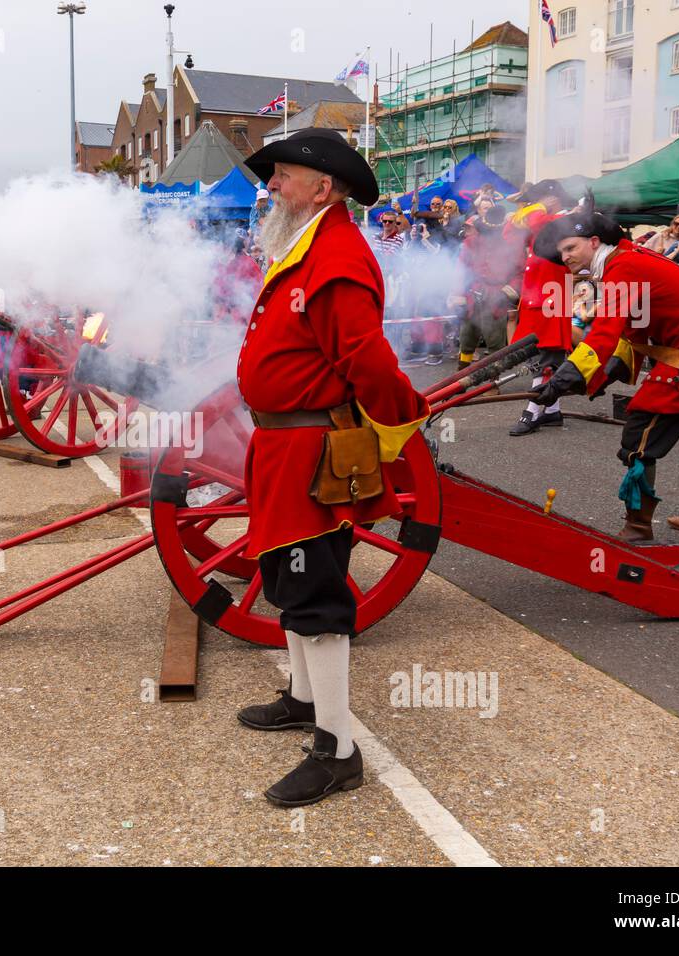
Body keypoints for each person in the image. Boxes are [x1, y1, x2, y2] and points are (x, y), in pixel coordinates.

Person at [235, 127, 430, 807]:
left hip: (313, 448)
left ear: (323, 188)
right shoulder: (309, 244)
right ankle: (302, 696)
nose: (271, 188)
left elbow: (368, 363)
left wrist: (405, 416)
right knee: (288, 580)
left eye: (281, 175)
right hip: (283, 445)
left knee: (314, 594)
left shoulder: (338, 257)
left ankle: (337, 749)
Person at [531, 211, 679, 539]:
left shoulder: (623, 267)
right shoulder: (626, 257)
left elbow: (604, 331)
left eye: (570, 248)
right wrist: (603, 373)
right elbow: (631, 326)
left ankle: (637, 526)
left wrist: (567, 376)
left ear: (594, 242)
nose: (565, 258)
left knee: (638, 439)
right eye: (561, 253)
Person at [505, 180, 574, 435]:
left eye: (539, 198)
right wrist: (518, 216)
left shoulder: (563, 219)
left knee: (547, 357)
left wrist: (531, 210)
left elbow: (536, 222)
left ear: (552, 199)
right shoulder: (544, 217)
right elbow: (508, 232)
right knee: (538, 356)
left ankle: (532, 413)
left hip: (552, 298)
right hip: (536, 297)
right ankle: (553, 410)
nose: (533, 203)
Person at [457, 205, 517, 367]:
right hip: (472, 292)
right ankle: (461, 374)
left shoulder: (510, 247)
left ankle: (493, 382)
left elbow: (518, 272)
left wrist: (507, 292)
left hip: (497, 295)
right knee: (467, 337)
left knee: (495, 340)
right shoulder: (471, 243)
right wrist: (459, 294)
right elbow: (461, 269)